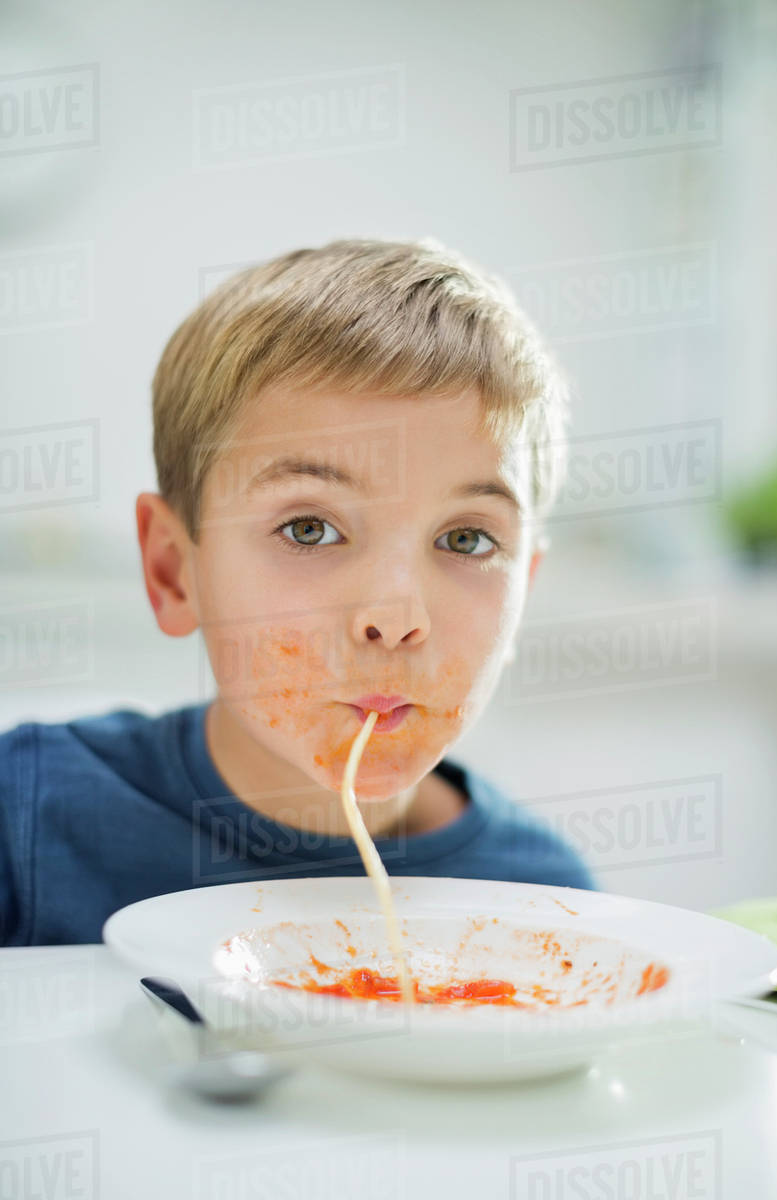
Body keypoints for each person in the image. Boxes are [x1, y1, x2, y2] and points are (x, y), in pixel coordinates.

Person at [0, 236, 595, 946]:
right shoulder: (24, 816)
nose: (395, 618)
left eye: (466, 540)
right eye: (310, 529)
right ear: (172, 570)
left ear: (520, 595)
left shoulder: (549, 908)